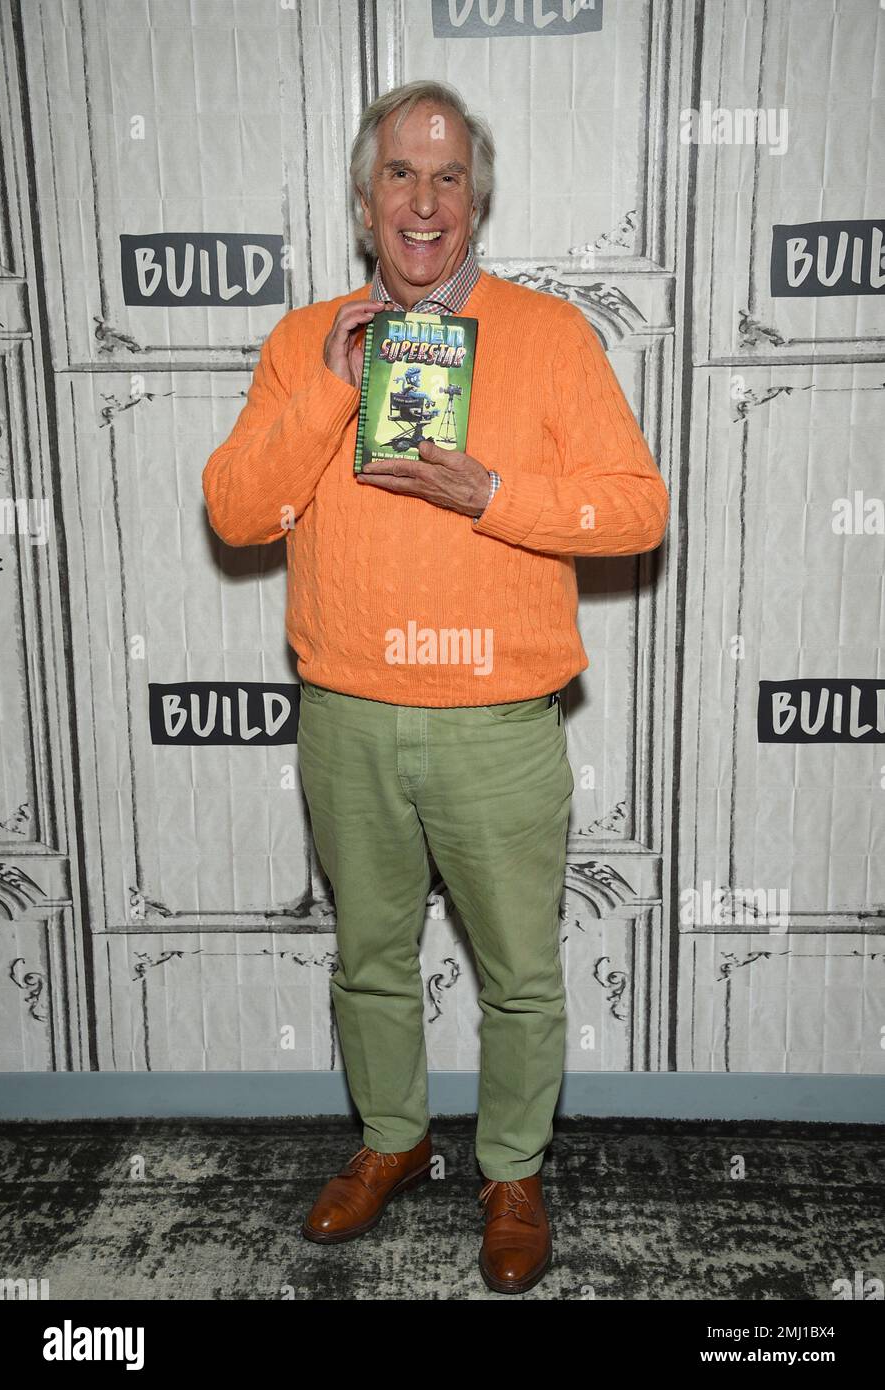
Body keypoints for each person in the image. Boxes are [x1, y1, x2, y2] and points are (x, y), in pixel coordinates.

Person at [202, 78, 669, 1295]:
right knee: (369, 959)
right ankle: (394, 1143)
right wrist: (334, 387)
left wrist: (494, 496)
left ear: (477, 201)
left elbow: (638, 509)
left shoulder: (552, 336)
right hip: (346, 714)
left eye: (449, 176)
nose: (425, 200)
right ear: (365, 205)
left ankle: (512, 1169)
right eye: (401, 175)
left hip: (499, 722)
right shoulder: (304, 339)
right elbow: (238, 511)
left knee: (518, 970)